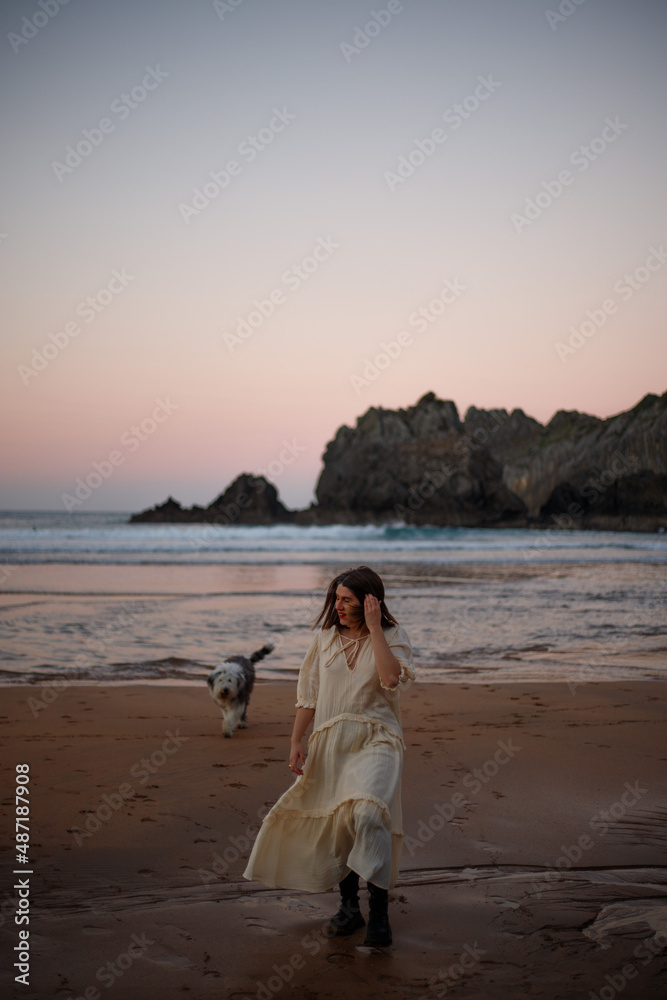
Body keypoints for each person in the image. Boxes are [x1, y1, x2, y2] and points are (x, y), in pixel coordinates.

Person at [243, 565, 414, 947]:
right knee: (340, 821)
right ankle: (350, 906)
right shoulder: (323, 640)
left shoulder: (391, 635)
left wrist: (373, 629)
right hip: (331, 740)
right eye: (335, 598)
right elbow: (310, 696)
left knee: (368, 812)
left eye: (346, 600)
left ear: (370, 602)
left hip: (378, 739)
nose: (337, 605)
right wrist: (296, 740)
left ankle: (380, 913)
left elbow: (390, 679)